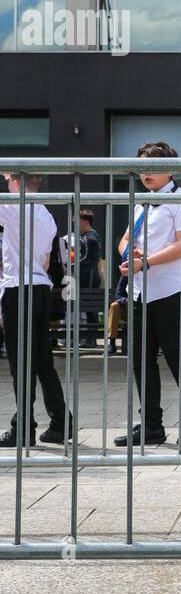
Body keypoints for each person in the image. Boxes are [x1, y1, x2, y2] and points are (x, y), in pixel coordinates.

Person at [114, 143, 181, 449]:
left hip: (172, 288)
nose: (146, 173)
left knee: (175, 354)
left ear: (171, 169)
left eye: (154, 167)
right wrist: (130, 254)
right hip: (140, 292)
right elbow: (124, 240)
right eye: (142, 167)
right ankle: (152, 426)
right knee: (141, 359)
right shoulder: (141, 204)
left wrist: (145, 261)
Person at [0, 172, 72, 447]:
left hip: (20, 287)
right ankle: (60, 421)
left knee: (21, 361)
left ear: (16, 183)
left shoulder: (16, 205)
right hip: (40, 286)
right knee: (42, 360)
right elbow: (44, 261)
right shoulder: (45, 214)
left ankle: (24, 427)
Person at [59, 207, 102, 347]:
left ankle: (91, 339)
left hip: (88, 275)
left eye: (76, 221)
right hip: (84, 275)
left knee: (89, 306)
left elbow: (89, 258)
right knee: (86, 306)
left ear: (84, 221)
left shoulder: (90, 238)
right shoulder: (86, 236)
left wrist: (72, 264)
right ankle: (89, 338)